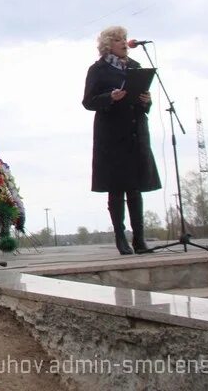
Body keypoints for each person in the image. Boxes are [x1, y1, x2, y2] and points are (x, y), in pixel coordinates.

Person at [82, 26, 161, 255]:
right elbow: (88, 101)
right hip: (112, 135)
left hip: (135, 133)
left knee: (135, 188)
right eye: (118, 40)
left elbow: (143, 101)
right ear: (108, 45)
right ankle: (120, 237)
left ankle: (139, 239)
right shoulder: (98, 69)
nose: (124, 43)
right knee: (117, 188)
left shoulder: (136, 67)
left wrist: (146, 100)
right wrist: (110, 97)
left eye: (125, 38)